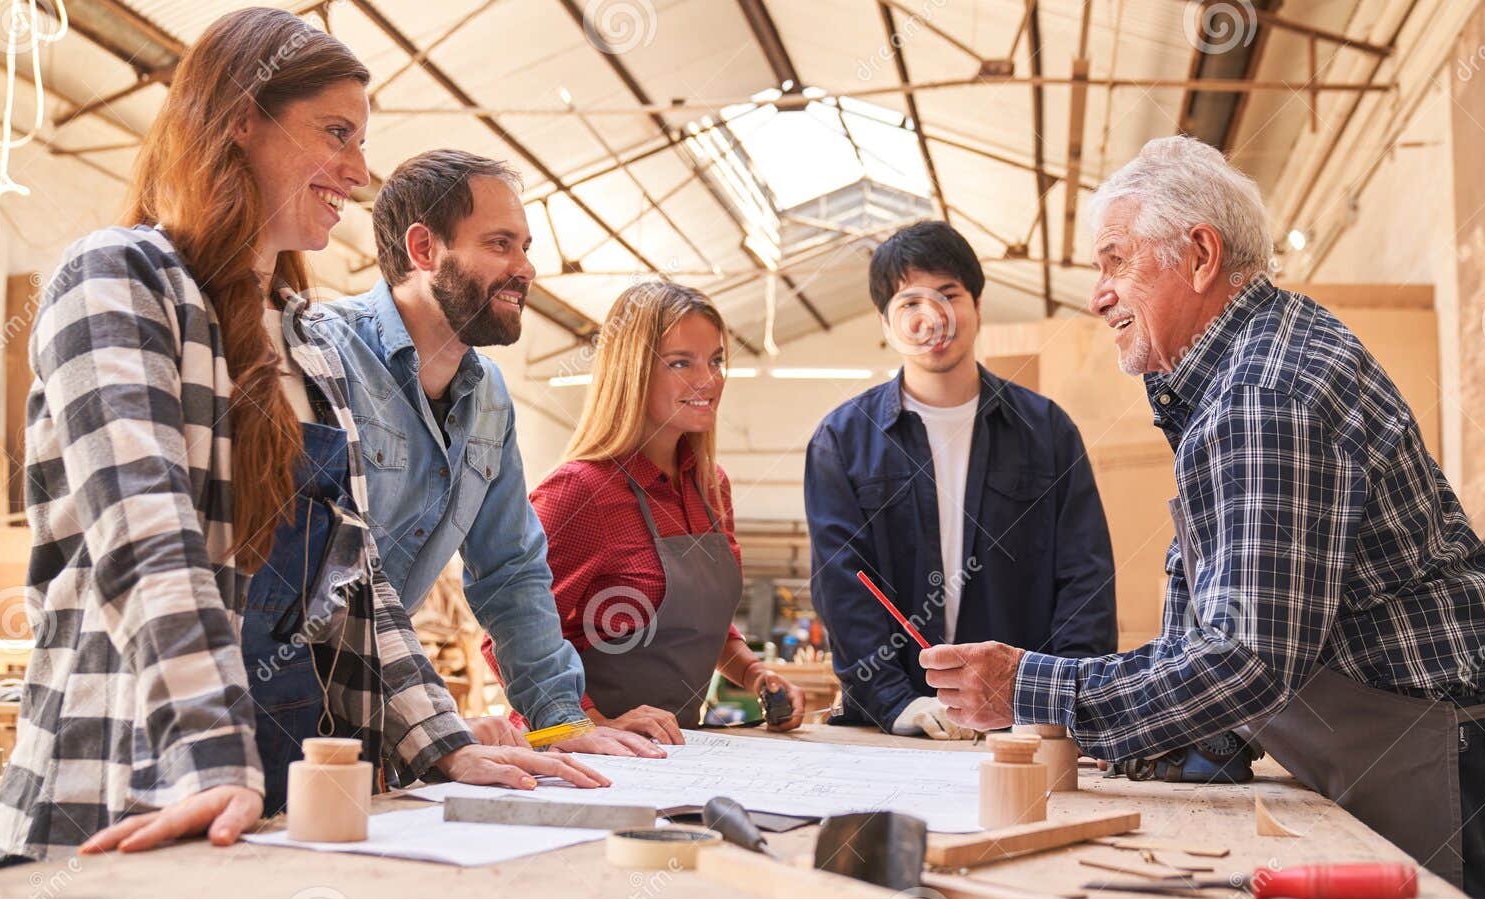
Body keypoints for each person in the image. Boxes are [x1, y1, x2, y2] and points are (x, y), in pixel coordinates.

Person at [0, 9, 605, 871]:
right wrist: (209, 752)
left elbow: (360, 586)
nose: (358, 172)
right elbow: (145, 537)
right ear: (241, 120)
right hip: (134, 776)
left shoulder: (306, 341)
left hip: (287, 788)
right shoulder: (118, 280)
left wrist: (443, 742)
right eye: (337, 134)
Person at [916, 136, 1485, 898]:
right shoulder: (1242, 369)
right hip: (1406, 755)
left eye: (1115, 261)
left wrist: (1031, 687)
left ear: (1199, 254)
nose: (1097, 295)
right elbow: (1230, 620)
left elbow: (1247, 658)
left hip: (1443, 777)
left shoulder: (1262, 395)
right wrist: (1157, 730)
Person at [321, 150, 672, 753]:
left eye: (527, 247)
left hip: (376, 705)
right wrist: (440, 730)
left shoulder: (488, 397)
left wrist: (560, 722)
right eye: (500, 244)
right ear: (424, 250)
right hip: (277, 693)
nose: (526, 268)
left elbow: (511, 570)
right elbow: (334, 573)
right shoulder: (329, 357)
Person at [804, 221, 1117, 738]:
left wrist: (1066, 706)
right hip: (891, 730)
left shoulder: (1047, 431)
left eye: (949, 294)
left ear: (976, 305)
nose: (934, 317)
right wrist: (895, 702)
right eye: (910, 304)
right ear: (886, 323)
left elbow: (1085, 576)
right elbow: (841, 586)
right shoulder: (842, 441)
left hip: (1023, 728)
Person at [483, 281, 805, 733]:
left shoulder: (711, 489)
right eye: (680, 363)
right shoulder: (581, 491)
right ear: (632, 373)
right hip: (577, 752)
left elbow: (699, 628)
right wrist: (595, 725)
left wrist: (755, 673)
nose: (708, 380)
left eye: (715, 361)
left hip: (673, 753)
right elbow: (508, 637)